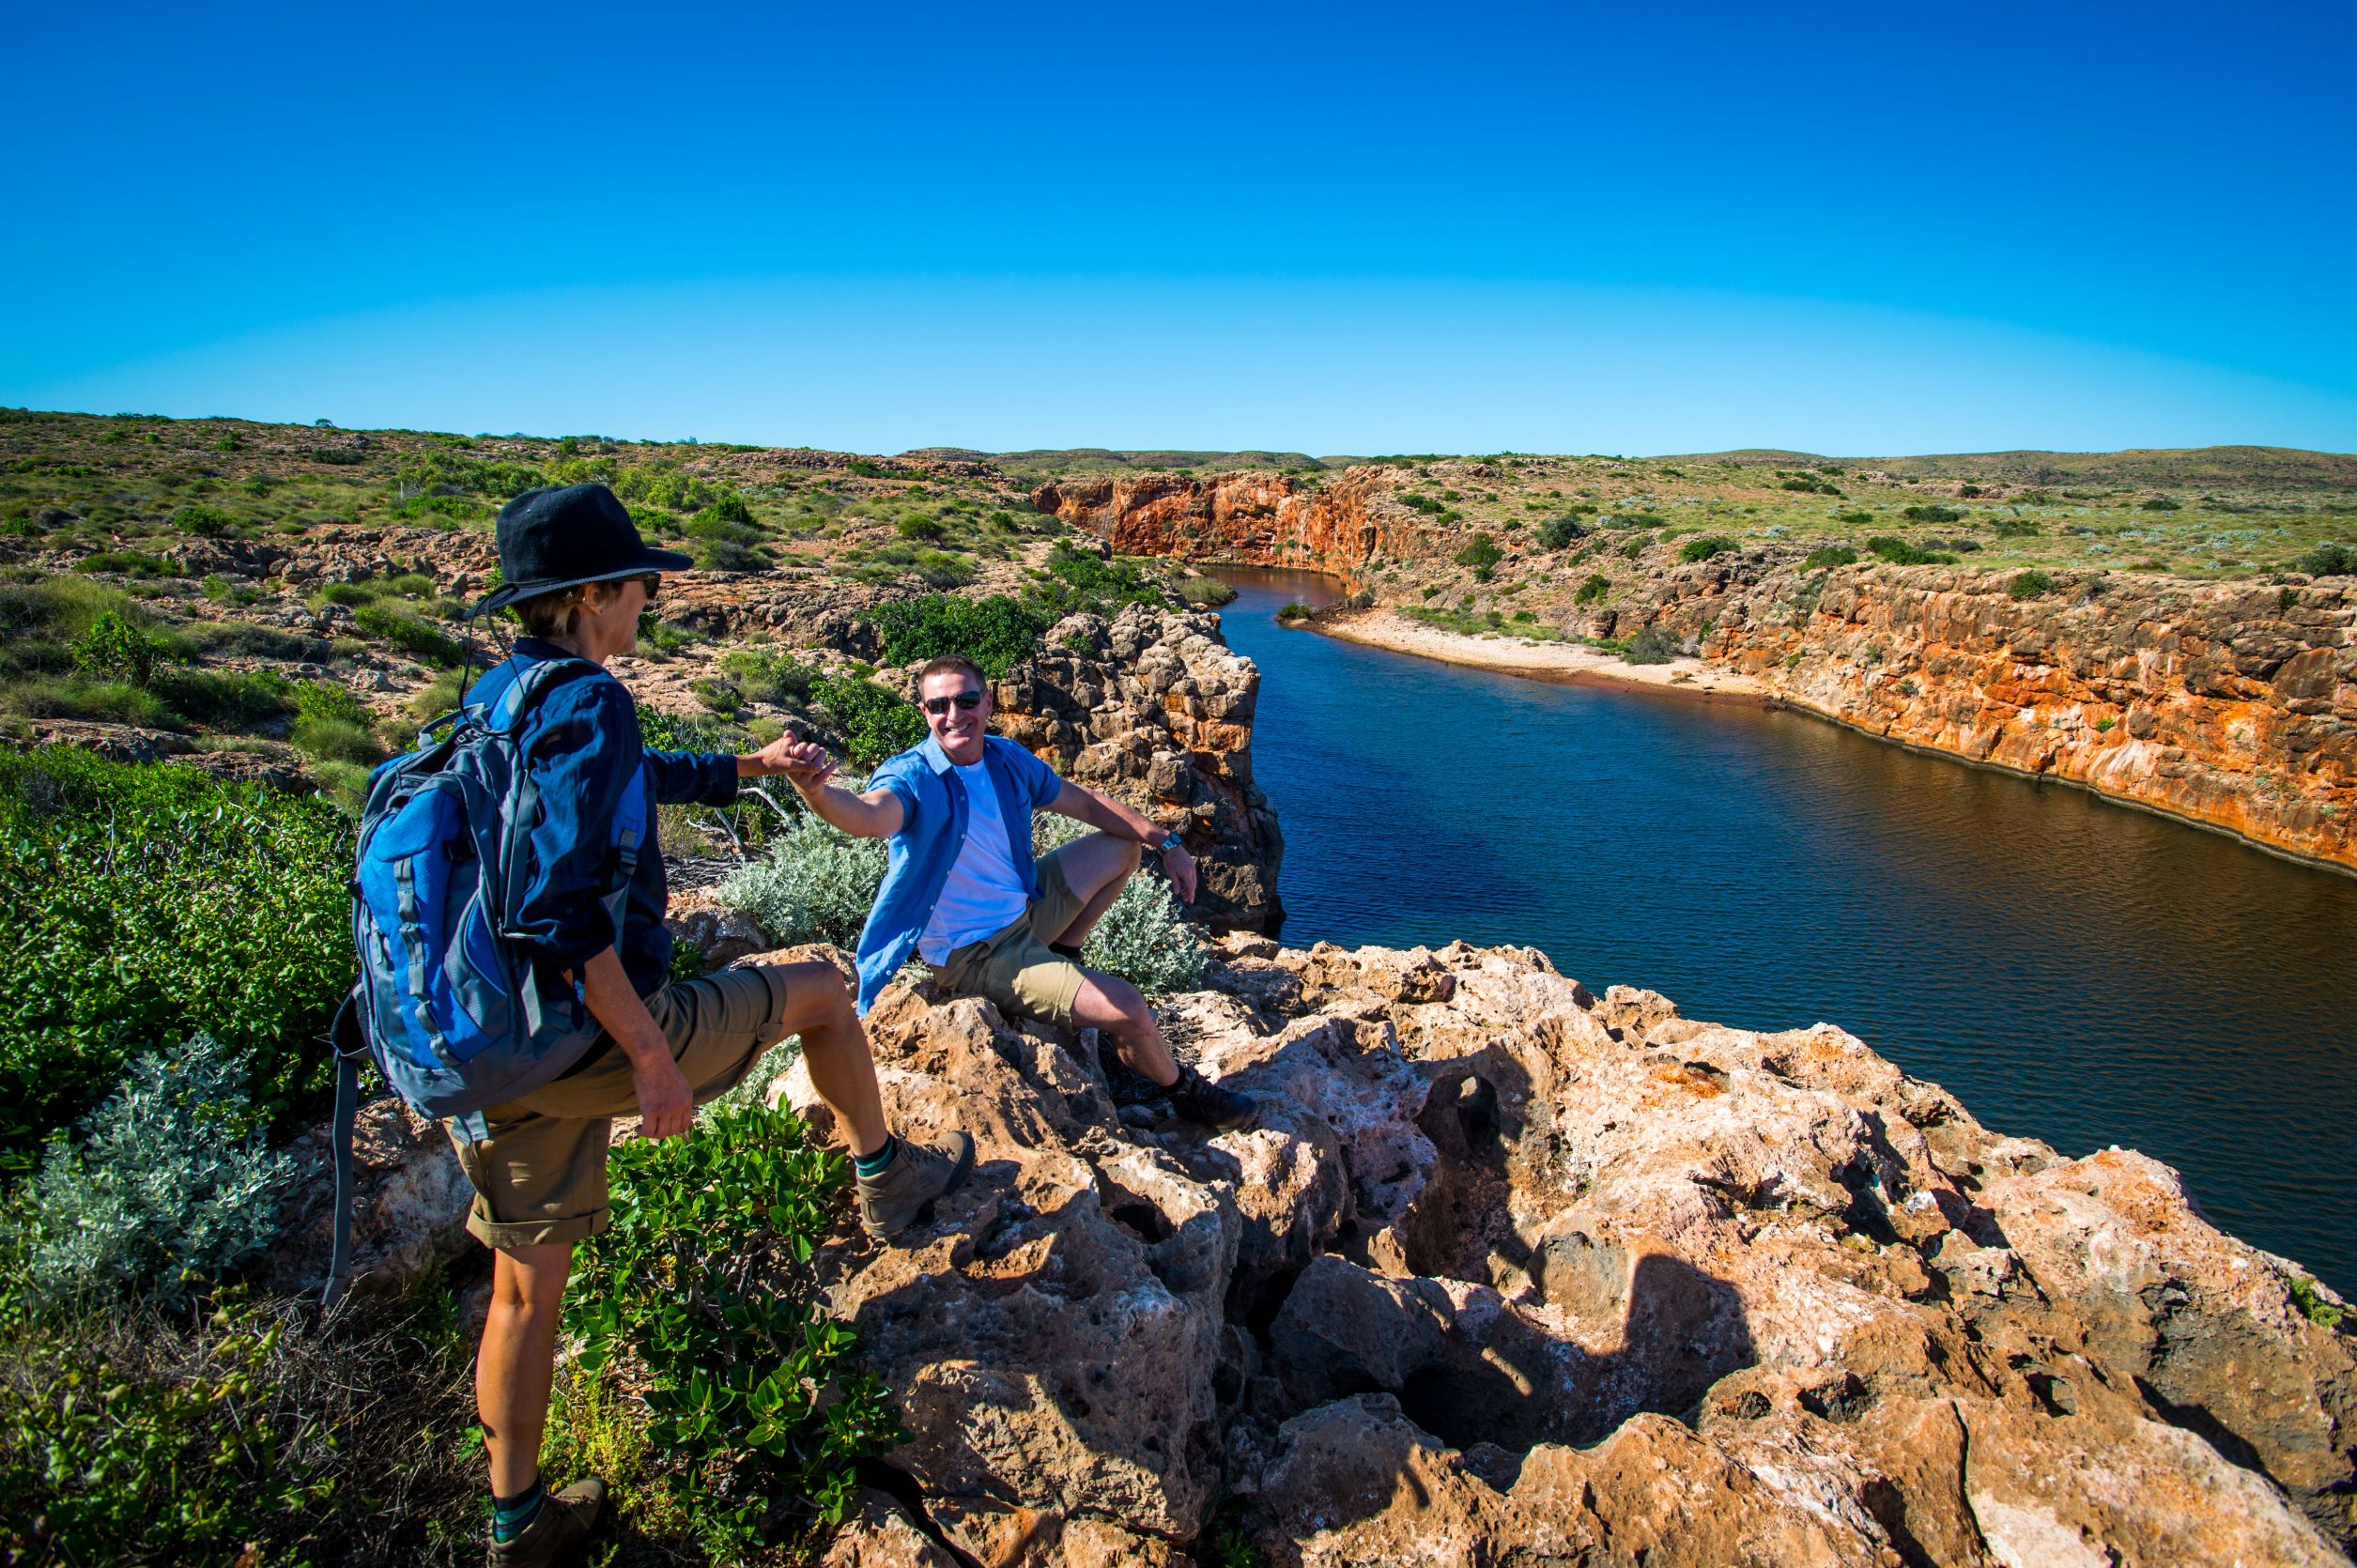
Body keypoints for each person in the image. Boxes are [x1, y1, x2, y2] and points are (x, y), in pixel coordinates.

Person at [454, 484, 971, 1568]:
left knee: (519, 1285)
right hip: (594, 1028)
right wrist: (651, 1057)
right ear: (592, 594)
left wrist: (750, 767)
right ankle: (886, 1178)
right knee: (825, 986)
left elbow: (624, 786)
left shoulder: (502, 694)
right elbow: (553, 907)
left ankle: (517, 1526)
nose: (650, 593)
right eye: (638, 578)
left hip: (496, 1038)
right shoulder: (590, 697)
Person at [770, 653, 1257, 1131]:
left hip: (1024, 912)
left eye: (965, 700)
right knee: (1128, 1007)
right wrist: (816, 791)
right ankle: (1185, 1095)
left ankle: (1065, 950)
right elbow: (868, 816)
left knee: (1121, 847)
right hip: (975, 954)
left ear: (987, 704)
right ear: (924, 712)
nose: (953, 714)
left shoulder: (1004, 758)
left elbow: (1081, 800)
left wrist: (1164, 841)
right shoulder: (913, 778)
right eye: (938, 705)